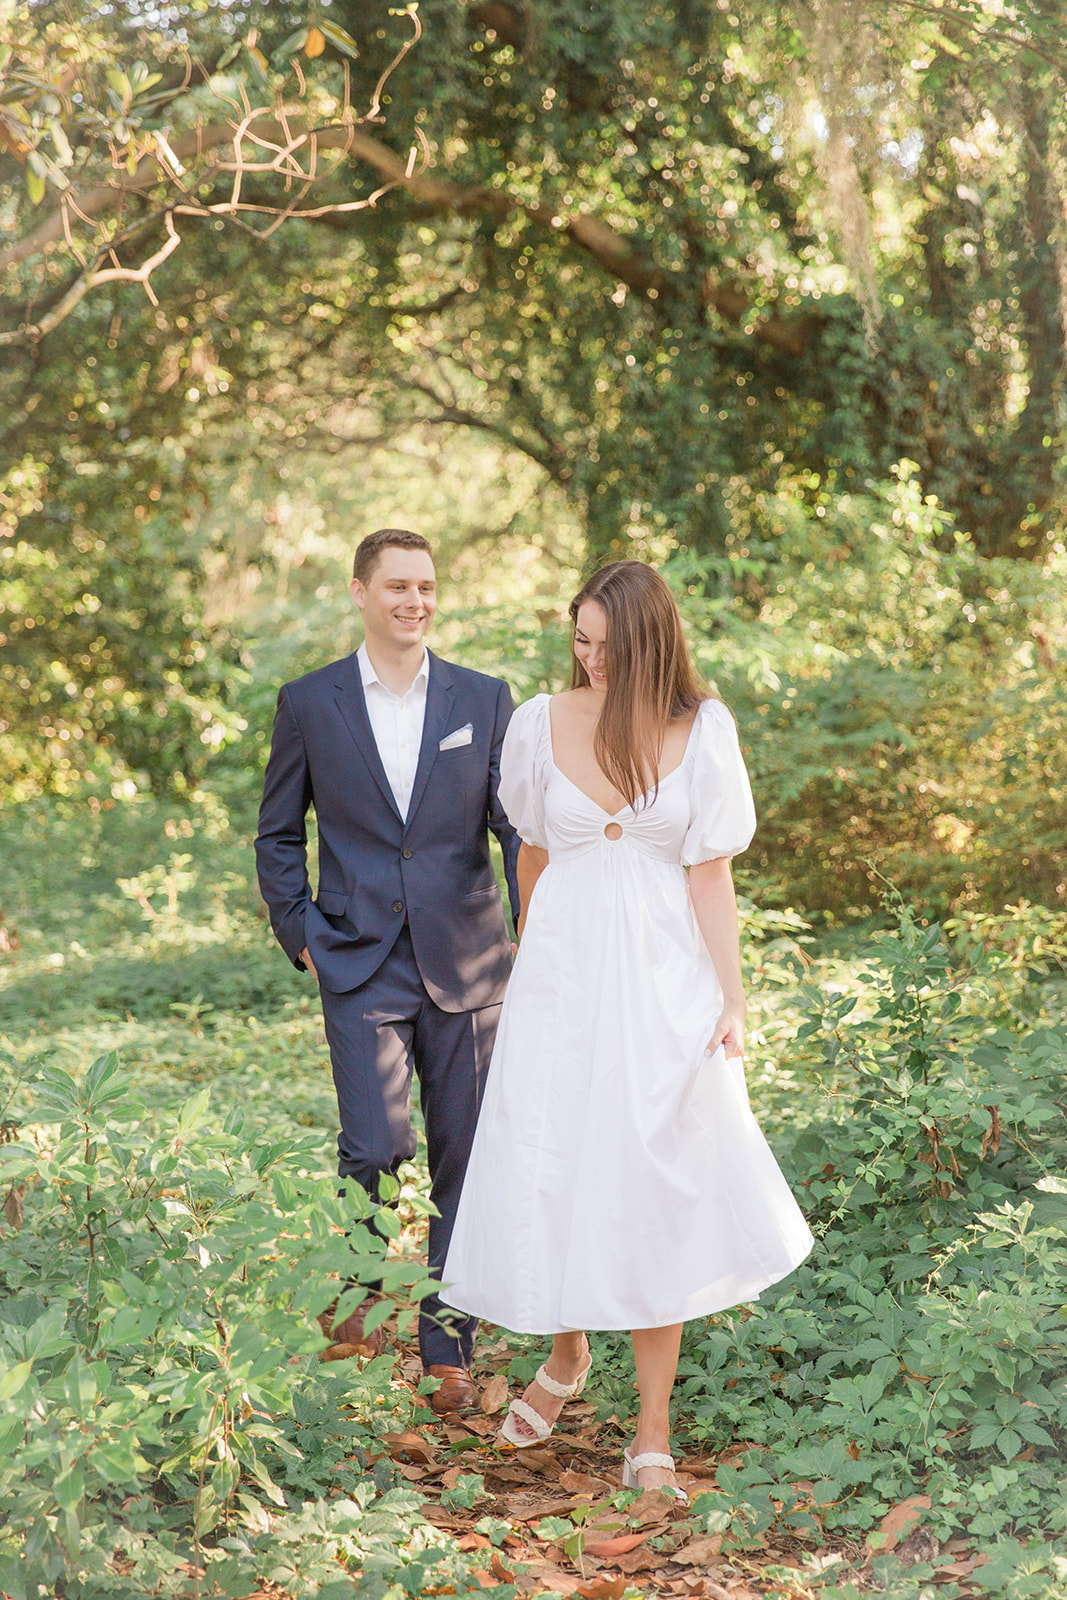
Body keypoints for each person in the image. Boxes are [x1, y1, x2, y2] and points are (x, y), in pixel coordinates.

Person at [441, 559, 813, 1495]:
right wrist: (531, 959)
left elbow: (709, 874)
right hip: (562, 975)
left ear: (651, 641)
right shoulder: (539, 721)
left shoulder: (703, 730)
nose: (590, 661)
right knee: (554, 1156)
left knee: (657, 1177)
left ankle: (651, 1430)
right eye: (579, 641)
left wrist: (731, 999)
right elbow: (530, 851)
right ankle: (568, 1354)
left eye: (607, 645)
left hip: (661, 977)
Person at [255, 527, 520, 1415]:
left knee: (463, 1157)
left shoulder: (484, 698)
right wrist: (300, 933)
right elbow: (277, 833)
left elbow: (512, 828)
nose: (415, 600)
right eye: (398, 586)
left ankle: (448, 1347)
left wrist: (540, 929)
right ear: (360, 593)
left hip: (469, 960)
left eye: (428, 587)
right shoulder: (311, 702)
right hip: (357, 958)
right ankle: (355, 1319)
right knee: (373, 1145)